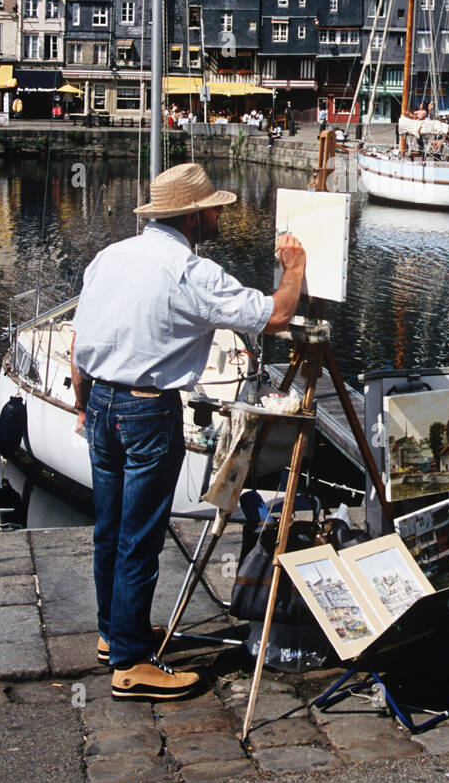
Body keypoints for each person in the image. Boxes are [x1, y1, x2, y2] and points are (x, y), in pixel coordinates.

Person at [70, 162, 306, 703]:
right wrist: (295, 266)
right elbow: (275, 316)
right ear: (196, 216)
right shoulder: (191, 272)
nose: (222, 214)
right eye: (216, 208)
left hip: (103, 400)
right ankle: (129, 667)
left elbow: (81, 340)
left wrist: (84, 406)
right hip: (146, 410)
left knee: (109, 528)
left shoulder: (112, 256)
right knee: (140, 537)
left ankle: (114, 635)